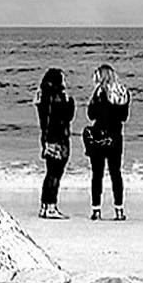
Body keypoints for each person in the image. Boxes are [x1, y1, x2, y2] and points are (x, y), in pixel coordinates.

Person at [83, 62, 128, 220]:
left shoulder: (99, 93)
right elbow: (124, 117)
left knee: (97, 175)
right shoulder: (123, 93)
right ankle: (119, 209)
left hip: (99, 137)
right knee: (116, 174)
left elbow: (92, 115)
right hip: (116, 137)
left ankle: (96, 210)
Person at [34, 68, 72, 218]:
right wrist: (70, 102)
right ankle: (51, 206)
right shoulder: (57, 97)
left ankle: (44, 206)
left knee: (50, 172)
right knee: (56, 173)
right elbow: (65, 116)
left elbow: (46, 120)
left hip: (47, 137)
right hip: (59, 138)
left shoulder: (42, 96)